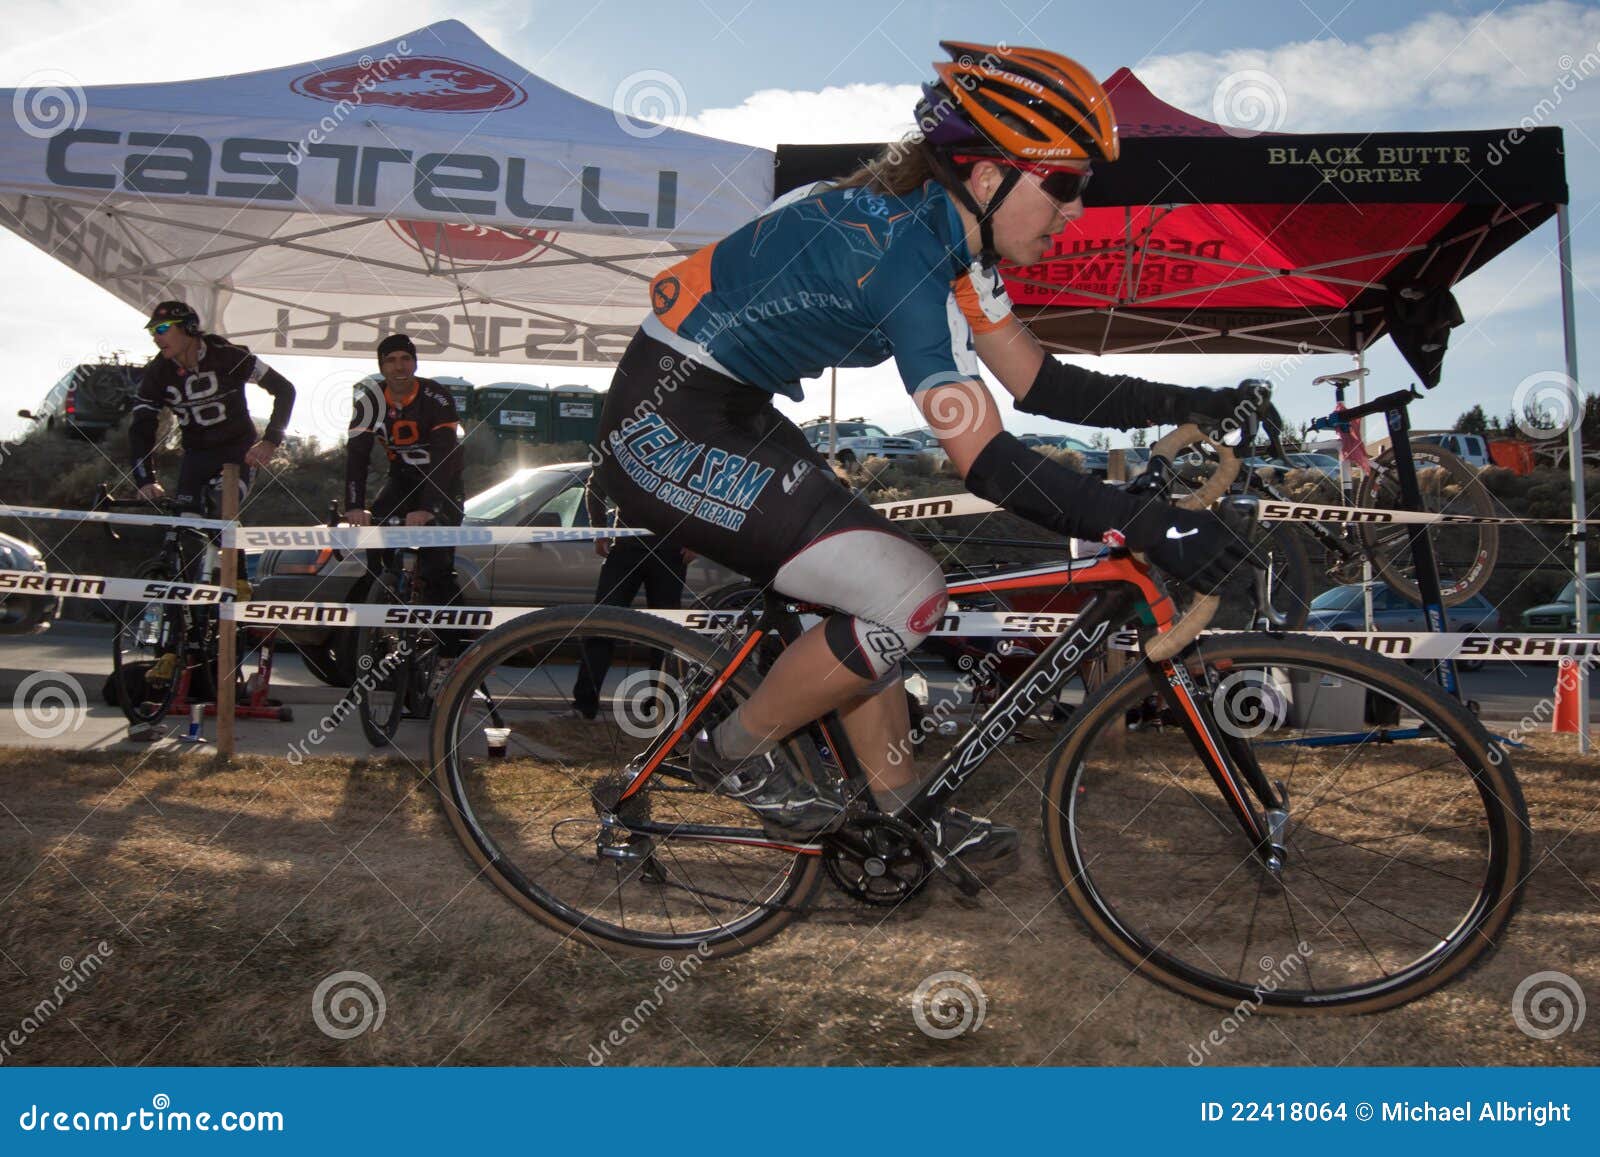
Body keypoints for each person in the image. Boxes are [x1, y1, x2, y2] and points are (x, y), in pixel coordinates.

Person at [593, 42, 1263, 866]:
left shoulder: (950, 247)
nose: (1075, 211)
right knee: (905, 590)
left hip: (730, 408)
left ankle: (899, 812)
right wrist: (1145, 522)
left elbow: (1037, 381)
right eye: (1063, 185)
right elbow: (984, 460)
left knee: (881, 587)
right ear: (988, 177)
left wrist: (1188, 403)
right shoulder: (908, 255)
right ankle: (727, 754)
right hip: (666, 420)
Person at [131, 300, 295, 685]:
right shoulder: (157, 373)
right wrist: (144, 478)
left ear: (187, 327)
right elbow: (140, 427)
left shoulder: (225, 355)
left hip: (235, 452)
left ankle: (235, 576)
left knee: (225, 508)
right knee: (181, 543)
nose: (156, 338)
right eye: (152, 332)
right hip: (196, 456)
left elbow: (284, 390)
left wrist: (271, 441)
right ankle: (172, 648)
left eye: (161, 329)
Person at [343, 334, 465, 626]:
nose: (399, 367)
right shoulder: (370, 401)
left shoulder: (436, 396)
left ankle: (452, 654)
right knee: (376, 546)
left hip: (443, 481)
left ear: (415, 362)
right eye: (391, 360)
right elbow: (357, 455)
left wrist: (428, 507)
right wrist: (355, 505)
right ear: (382, 366)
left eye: (405, 359)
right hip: (402, 477)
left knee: (437, 568)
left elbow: (444, 456)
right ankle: (381, 600)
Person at [570, 466, 691, 720]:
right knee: (601, 624)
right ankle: (584, 705)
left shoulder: (690, 445)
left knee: (665, 634)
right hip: (625, 548)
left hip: (671, 552)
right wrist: (599, 528)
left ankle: (660, 708)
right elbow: (596, 484)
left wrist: (700, 540)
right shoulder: (626, 439)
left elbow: (709, 494)